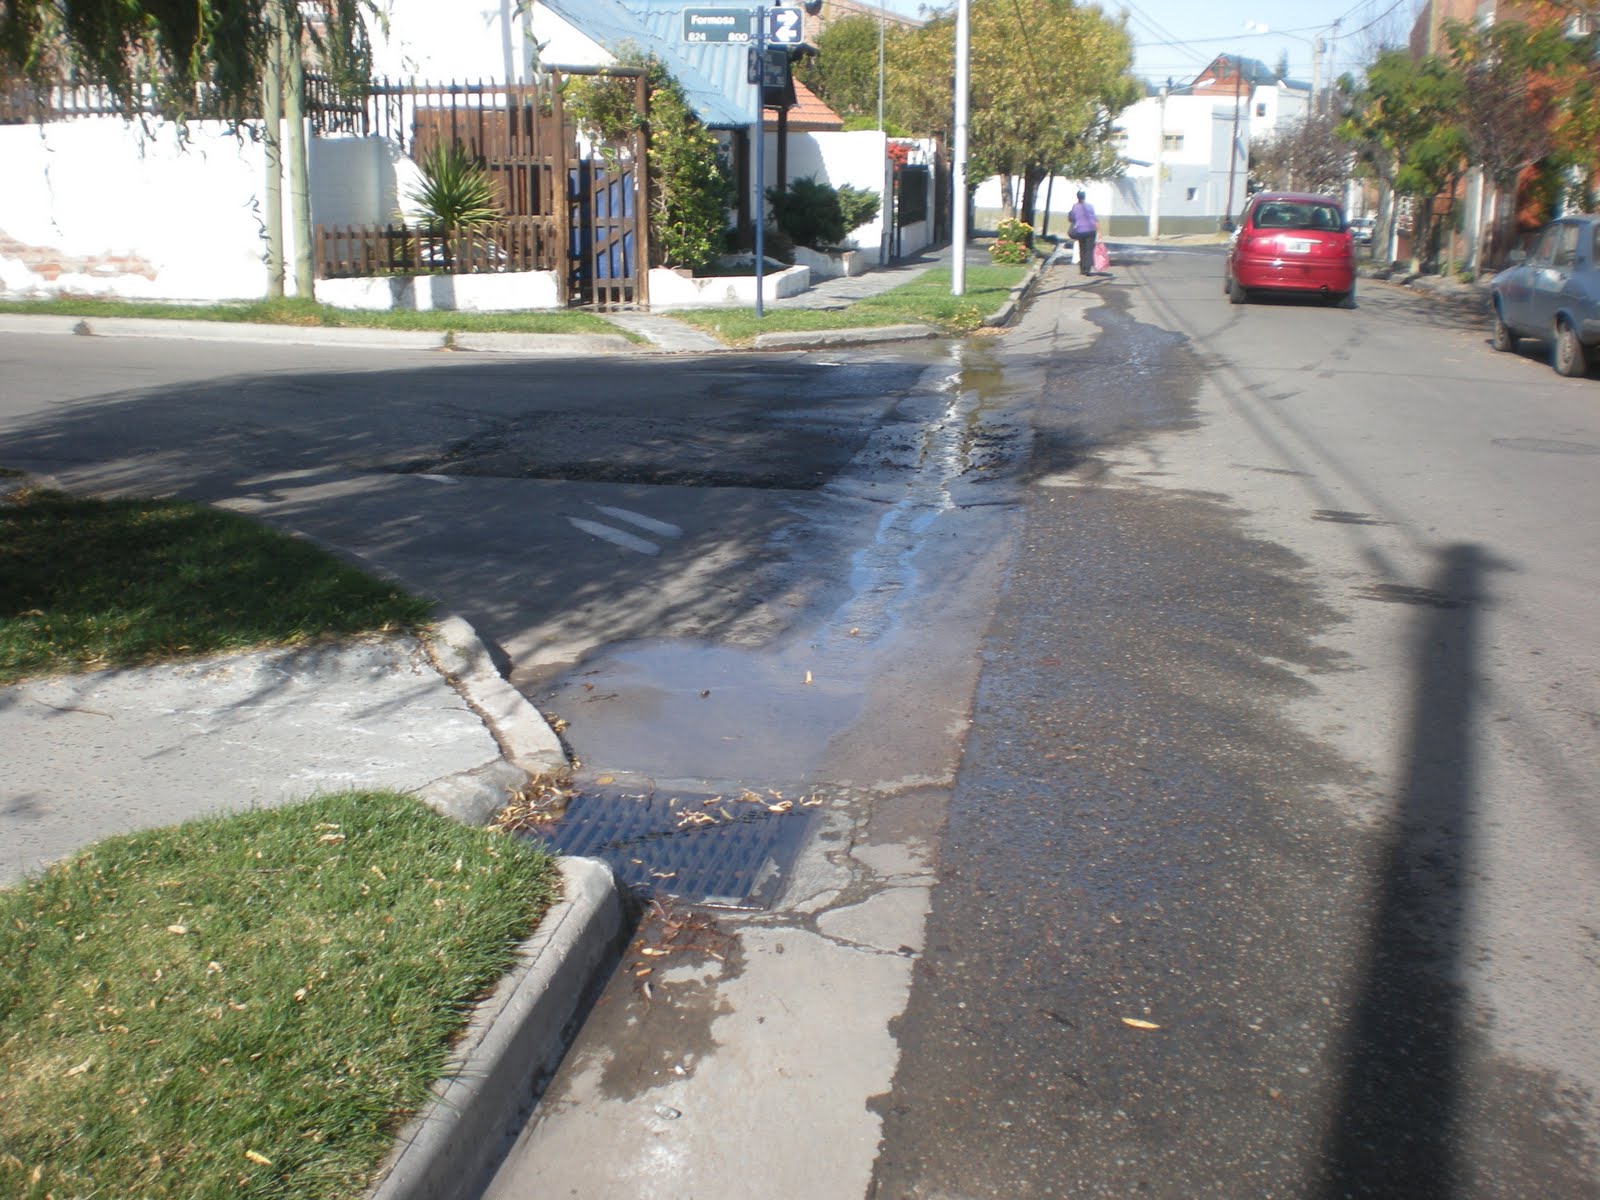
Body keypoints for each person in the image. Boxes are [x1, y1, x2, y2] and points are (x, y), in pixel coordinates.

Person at [1068, 190, 1098, 276]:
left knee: (1082, 249)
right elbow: (1095, 219)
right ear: (1085, 197)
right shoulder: (1090, 206)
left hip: (1080, 230)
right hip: (1091, 230)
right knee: (1089, 250)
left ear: (1077, 197)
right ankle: (1087, 269)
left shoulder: (1075, 206)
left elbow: (1072, 218)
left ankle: (1082, 269)